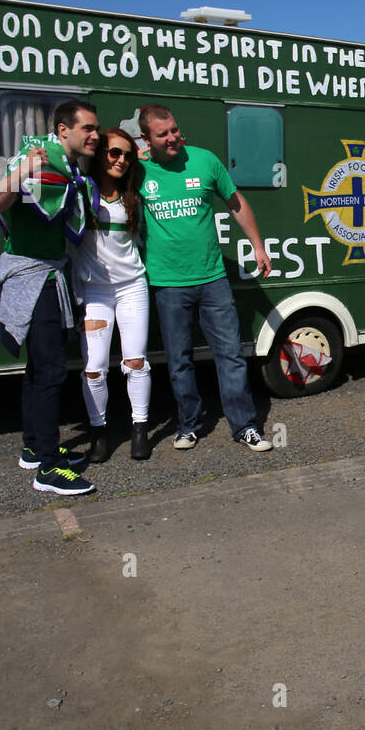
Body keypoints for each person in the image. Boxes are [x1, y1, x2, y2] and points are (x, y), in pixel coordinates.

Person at [136, 105, 274, 452]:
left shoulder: (204, 160)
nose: (171, 139)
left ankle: (245, 426)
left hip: (213, 278)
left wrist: (258, 245)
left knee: (230, 355)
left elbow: (236, 201)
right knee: (179, 360)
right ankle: (188, 425)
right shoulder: (137, 170)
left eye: (174, 130)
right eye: (162, 134)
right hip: (167, 283)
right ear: (146, 138)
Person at [0, 101, 99, 495]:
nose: (95, 136)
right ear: (64, 130)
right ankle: (49, 468)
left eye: (96, 129)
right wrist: (23, 172)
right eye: (88, 128)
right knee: (51, 370)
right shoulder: (39, 156)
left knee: (37, 367)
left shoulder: (68, 165)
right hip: (31, 276)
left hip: (48, 272)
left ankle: (34, 447)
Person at [71, 128, 152, 463]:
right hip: (95, 290)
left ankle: (139, 430)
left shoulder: (133, 197)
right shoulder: (80, 192)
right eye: (114, 153)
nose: (121, 160)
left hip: (132, 287)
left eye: (127, 155)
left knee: (136, 362)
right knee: (94, 368)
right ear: (100, 154)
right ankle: (99, 434)